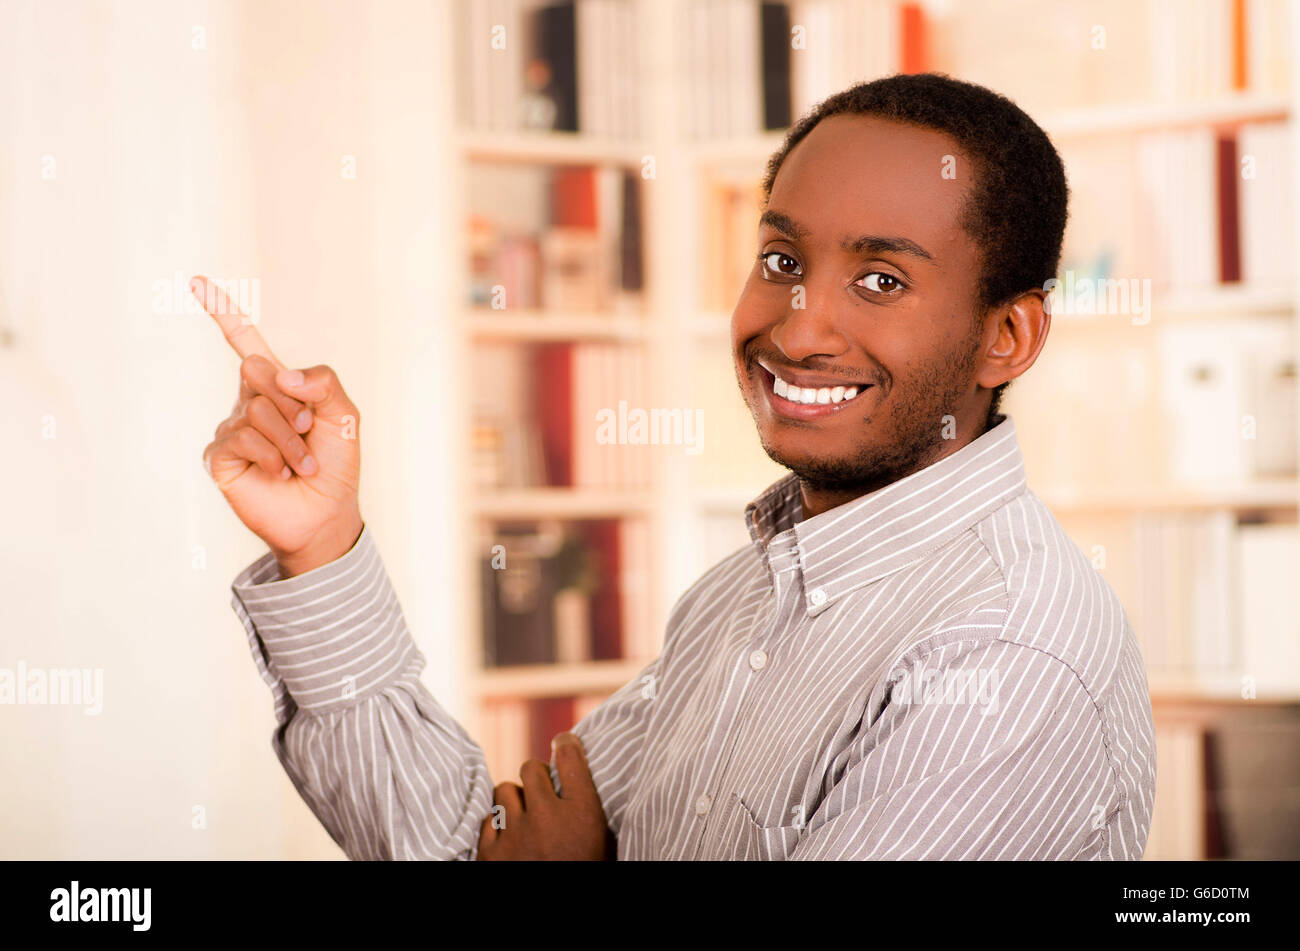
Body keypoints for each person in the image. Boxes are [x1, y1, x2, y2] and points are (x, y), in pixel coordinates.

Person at [196, 73, 1155, 860]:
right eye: (782, 260)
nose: (799, 326)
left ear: (1009, 335)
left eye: (881, 280)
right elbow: (477, 851)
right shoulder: (740, 599)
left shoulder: (1006, 654)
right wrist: (322, 545)